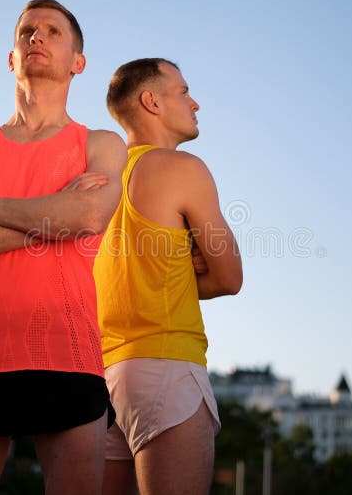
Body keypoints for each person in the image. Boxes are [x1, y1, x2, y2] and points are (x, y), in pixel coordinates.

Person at [0, 0, 126, 495]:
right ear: (11, 57)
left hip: (68, 351)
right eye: (28, 30)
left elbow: (88, 216)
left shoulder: (100, 144)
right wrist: (53, 221)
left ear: (78, 62)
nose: (38, 37)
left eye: (54, 31)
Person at [94, 58, 243, 495]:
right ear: (151, 101)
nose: (194, 103)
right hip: (166, 366)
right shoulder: (183, 169)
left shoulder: (95, 179)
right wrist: (184, 266)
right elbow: (229, 277)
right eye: (183, 91)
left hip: (101, 378)